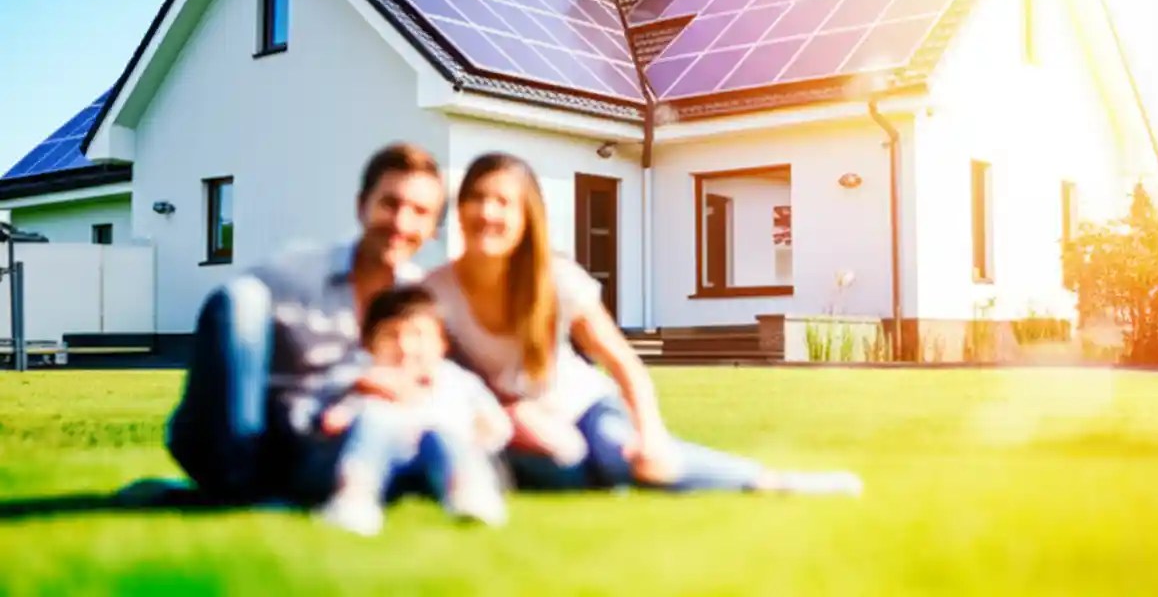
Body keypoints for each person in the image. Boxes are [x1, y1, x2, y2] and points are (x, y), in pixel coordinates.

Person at [423, 152, 864, 495]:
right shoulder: (435, 291)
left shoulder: (556, 278)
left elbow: (623, 364)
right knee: (563, 469)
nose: (488, 212)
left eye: (503, 202)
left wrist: (651, 436)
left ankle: (773, 482)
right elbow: (435, 377)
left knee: (622, 456)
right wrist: (509, 415)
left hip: (586, 408)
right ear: (459, 209)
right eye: (477, 198)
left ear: (526, 218)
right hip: (514, 422)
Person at [165, 142, 452, 505]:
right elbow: (227, 325)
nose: (401, 223)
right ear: (362, 205)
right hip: (256, 425)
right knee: (240, 299)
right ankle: (235, 479)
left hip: (334, 439)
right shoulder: (294, 272)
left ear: (432, 227)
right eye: (390, 204)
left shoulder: (419, 300)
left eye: (419, 212)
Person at [317, 284, 512, 534]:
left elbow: (496, 425)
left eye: (418, 335)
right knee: (375, 419)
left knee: (445, 432)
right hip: (385, 461)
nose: (406, 347)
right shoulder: (365, 379)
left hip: (442, 463)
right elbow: (334, 417)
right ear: (368, 343)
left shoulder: (455, 380)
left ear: (441, 343)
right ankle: (354, 499)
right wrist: (340, 417)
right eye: (391, 335)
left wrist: (483, 431)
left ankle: (470, 494)